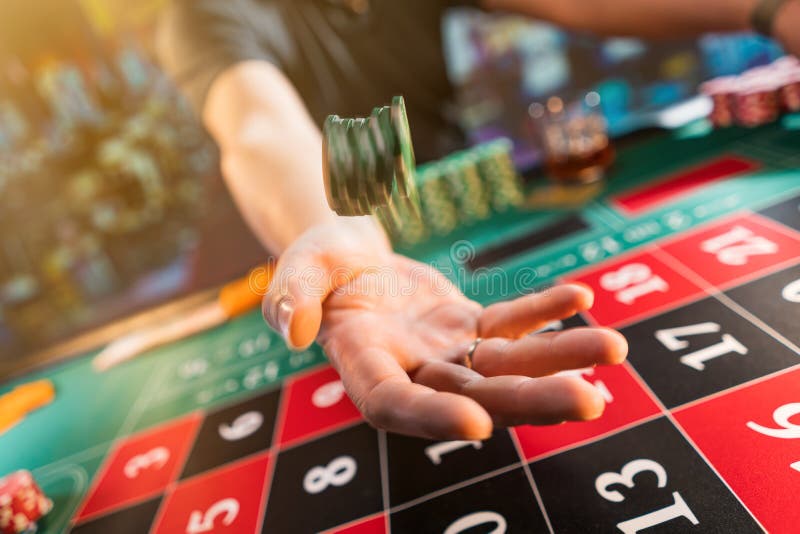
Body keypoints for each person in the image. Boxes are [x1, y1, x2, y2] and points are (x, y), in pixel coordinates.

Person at [157, 0, 800, 440]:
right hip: (299, 244)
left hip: (435, 213)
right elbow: (257, 125)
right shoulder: (203, 11)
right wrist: (332, 232)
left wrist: (769, 9)